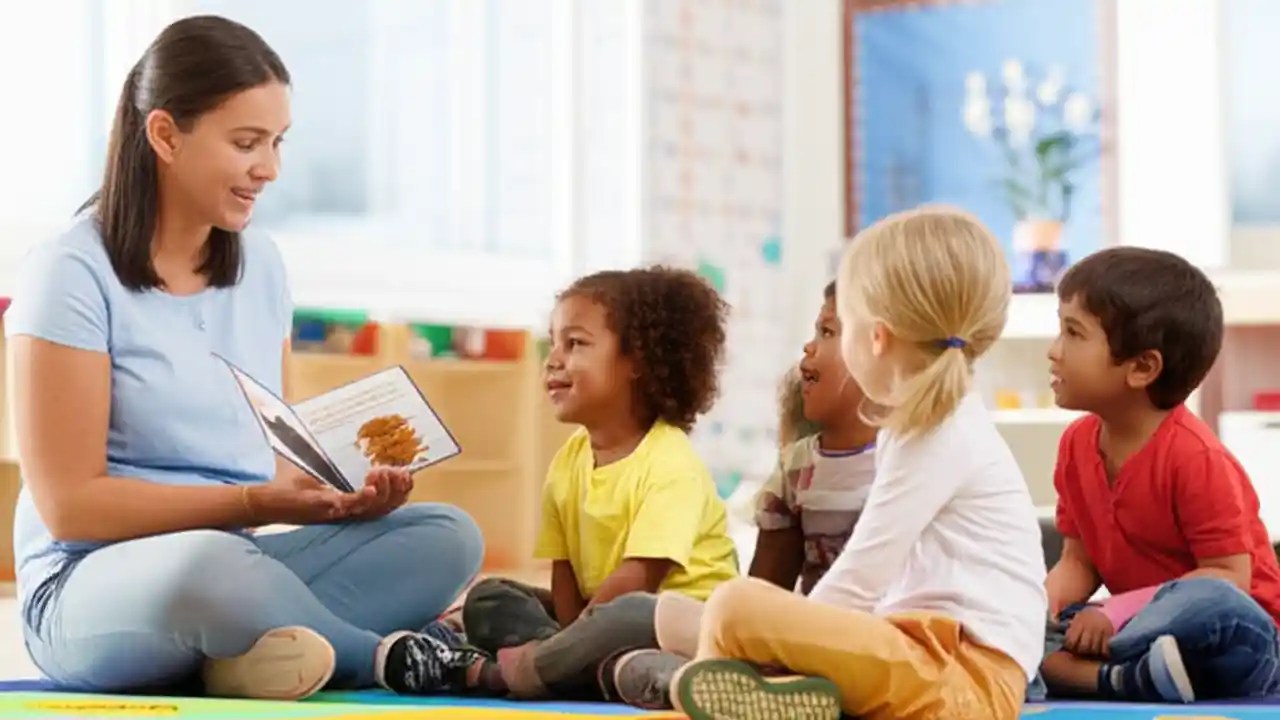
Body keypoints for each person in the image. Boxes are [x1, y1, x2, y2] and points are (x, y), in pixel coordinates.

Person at [7, 15, 483, 702]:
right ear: (166, 135)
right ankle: (391, 658)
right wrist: (254, 501)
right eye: (246, 142)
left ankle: (246, 653)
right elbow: (71, 508)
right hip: (93, 585)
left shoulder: (261, 267)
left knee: (447, 536)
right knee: (211, 568)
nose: (270, 168)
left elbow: (276, 454)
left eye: (278, 143)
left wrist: (334, 499)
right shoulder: (69, 273)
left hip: (239, 560)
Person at [670, 206, 1048, 720]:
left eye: (840, 325)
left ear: (876, 337)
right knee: (713, 612)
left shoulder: (938, 433)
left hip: (964, 683)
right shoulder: (922, 426)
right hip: (919, 656)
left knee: (734, 607)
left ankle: (765, 689)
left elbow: (859, 578)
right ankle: (777, 693)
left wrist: (789, 642)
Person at [413, 267, 740, 696]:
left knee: (625, 614)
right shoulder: (569, 459)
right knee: (490, 596)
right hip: (596, 624)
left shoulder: (671, 464)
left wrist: (577, 637)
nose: (553, 359)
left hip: (671, 622)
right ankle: (591, 671)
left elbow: (639, 579)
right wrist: (568, 639)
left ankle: (504, 674)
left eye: (576, 343)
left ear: (637, 362)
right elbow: (564, 574)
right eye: (553, 343)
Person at [1039, 246, 1280, 702]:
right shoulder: (1075, 445)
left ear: (1142, 367)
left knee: (1215, 602)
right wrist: (1029, 612)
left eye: (1073, 333)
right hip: (1139, 631)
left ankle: (1125, 672)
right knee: (1025, 638)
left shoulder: (1196, 457)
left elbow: (1228, 580)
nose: (1054, 352)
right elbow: (1079, 562)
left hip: (1241, 637)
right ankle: (1128, 679)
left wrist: (1118, 611)